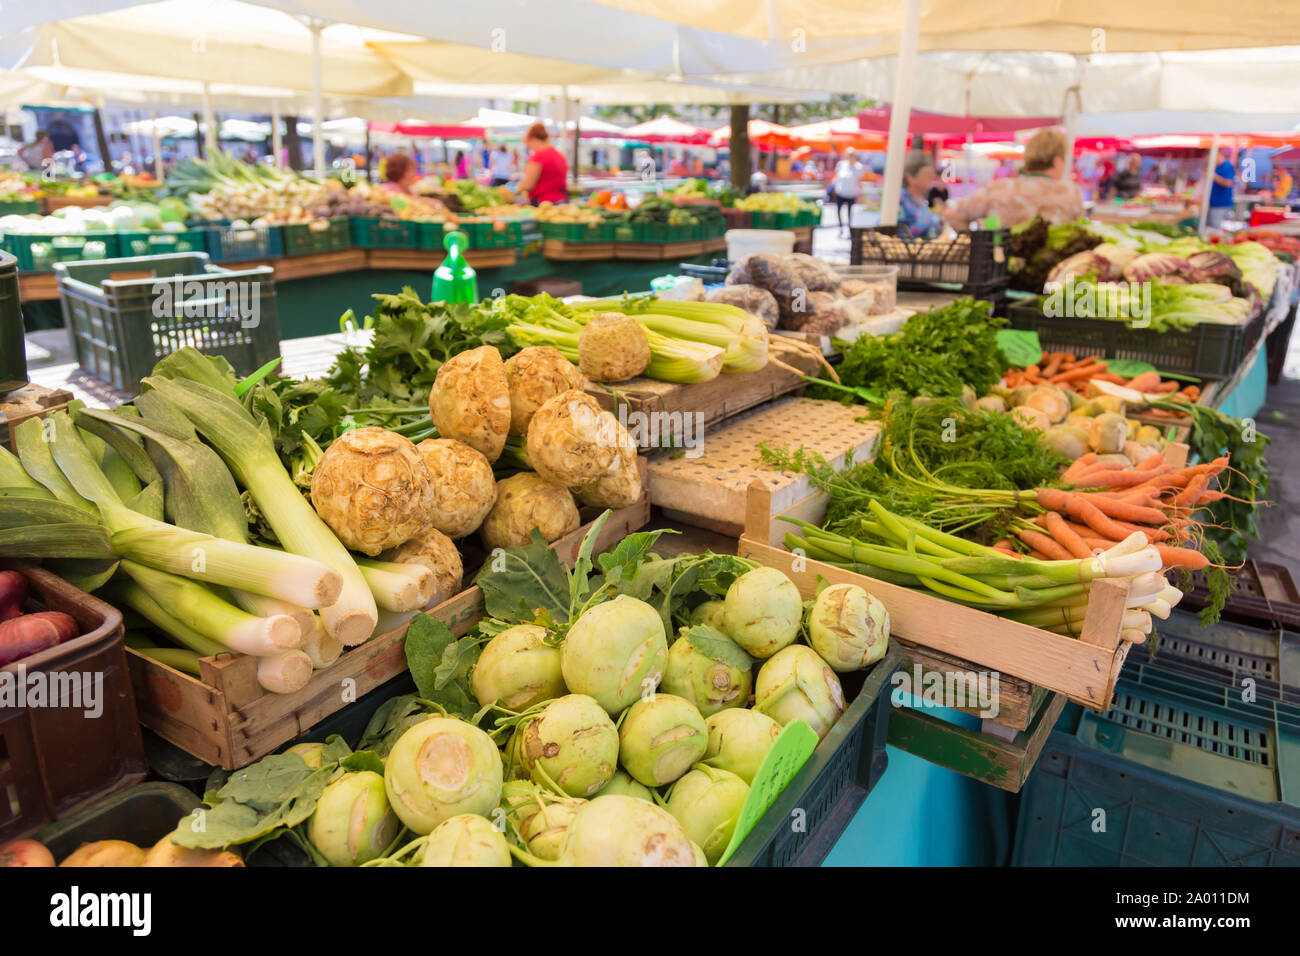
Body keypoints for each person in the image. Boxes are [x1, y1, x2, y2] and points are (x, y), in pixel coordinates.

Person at [943, 128, 1085, 231]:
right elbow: (1081, 231)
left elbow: (952, 214)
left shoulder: (1002, 187)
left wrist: (976, 243)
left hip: (999, 268)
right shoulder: (1070, 192)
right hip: (1055, 271)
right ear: (1057, 161)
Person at [519, 122, 569, 205]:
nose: (531, 148)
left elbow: (528, 185)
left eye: (529, 144)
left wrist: (516, 188)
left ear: (534, 140)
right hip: (562, 201)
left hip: (544, 203)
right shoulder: (559, 155)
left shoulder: (539, 156)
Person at [898, 153, 943, 239]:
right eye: (927, 173)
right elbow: (898, 237)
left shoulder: (921, 199)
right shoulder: (900, 199)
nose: (932, 176)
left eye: (932, 172)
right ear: (910, 177)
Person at [830, 147, 865, 237]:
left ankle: (850, 230)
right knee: (838, 212)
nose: (850, 157)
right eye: (849, 155)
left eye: (852, 155)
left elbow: (859, 181)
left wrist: (861, 193)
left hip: (852, 194)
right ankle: (841, 228)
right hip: (841, 192)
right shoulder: (841, 164)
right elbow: (836, 177)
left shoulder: (859, 167)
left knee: (850, 214)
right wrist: (833, 188)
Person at [1207, 150, 1237, 231]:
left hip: (1221, 203)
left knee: (1216, 228)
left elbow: (1228, 183)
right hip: (1215, 203)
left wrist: (1213, 176)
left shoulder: (1226, 166)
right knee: (1213, 227)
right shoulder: (1218, 166)